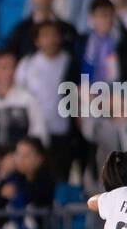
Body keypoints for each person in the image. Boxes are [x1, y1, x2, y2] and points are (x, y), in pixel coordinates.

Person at [15, 20, 82, 181]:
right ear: (37, 41)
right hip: (35, 132)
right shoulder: (27, 64)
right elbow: (19, 97)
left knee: (61, 176)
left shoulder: (70, 61)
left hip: (63, 130)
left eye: (54, 35)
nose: (50, 39)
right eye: (45, 36)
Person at [0, 49, 47, 182]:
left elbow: (39, 135)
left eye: (12, 67)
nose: (9, 72)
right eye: (4, 67)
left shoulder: (27, 100)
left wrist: (25, 163)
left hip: (23, 173)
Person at [5, 0, 79, 60]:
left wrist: (84, 74)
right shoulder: (20, 31)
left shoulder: (68, 30)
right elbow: (10, 60)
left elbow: (82, 64)